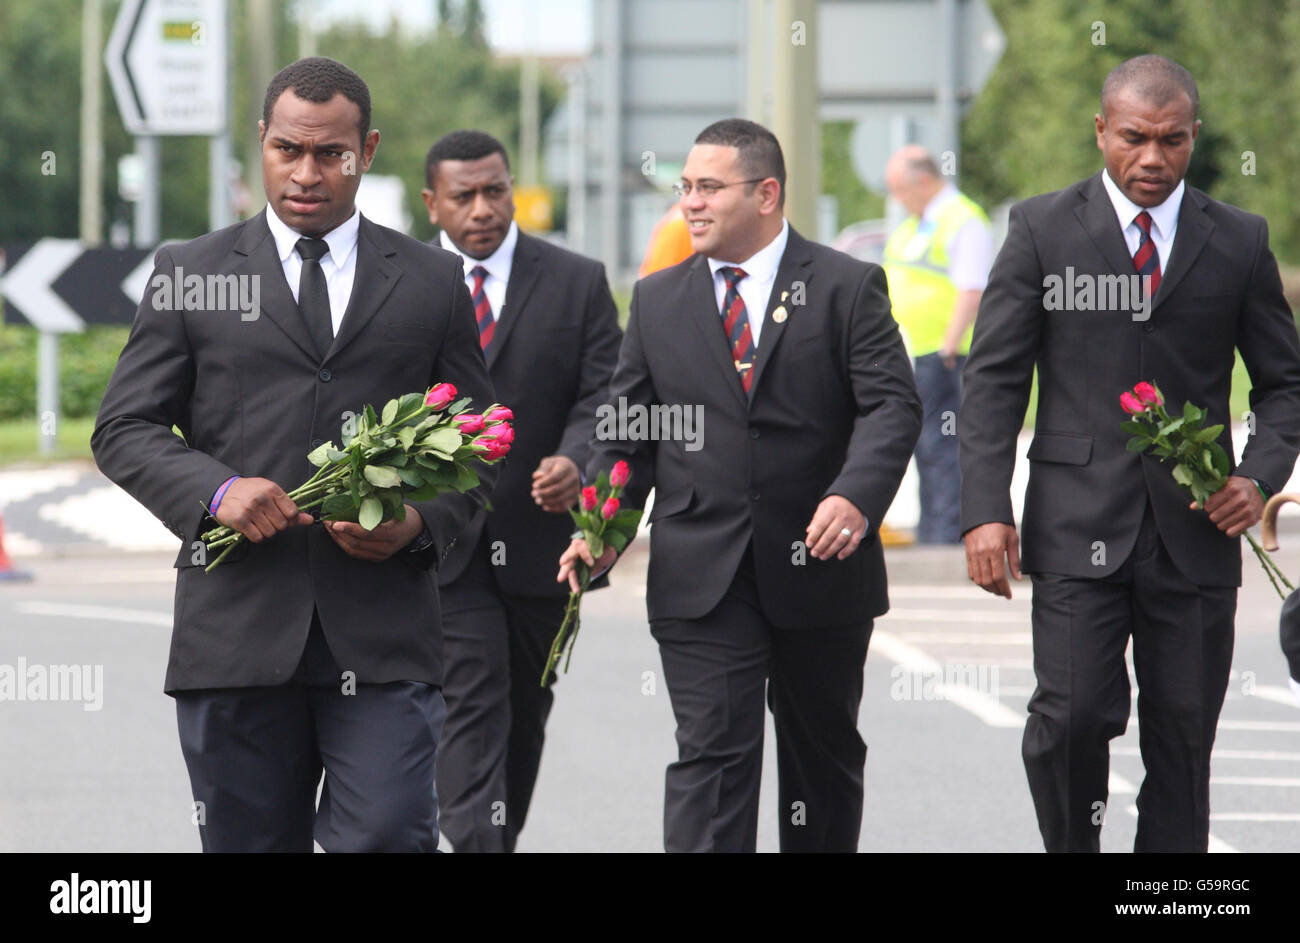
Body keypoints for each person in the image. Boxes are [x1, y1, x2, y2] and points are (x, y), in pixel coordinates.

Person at [91, 57, 498, 853]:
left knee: (387, 832)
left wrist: (417, 523)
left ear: (367, 150)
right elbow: (123, 427)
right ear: (261, 145)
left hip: (384, 638)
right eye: (288, 150)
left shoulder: (432, 280)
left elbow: (480, 446)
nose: (307, 172)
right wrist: (216, 491)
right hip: (236, 632)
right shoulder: (191, 273)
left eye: (331, 153)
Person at [959, 54, 1300, 853]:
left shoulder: (1240, 240)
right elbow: (993, 382)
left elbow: (1286, 387)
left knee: (1183, 739)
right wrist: (984, 510)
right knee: (1072, 717)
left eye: (1172, 140)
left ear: (1194, 137)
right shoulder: (1041, 229)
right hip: (1077, 524)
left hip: (1197, 533)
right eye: (1135, 139)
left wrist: (1256, 476)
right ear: (1102, 131)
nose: (1153, 159)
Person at [559, 118, 922, 852]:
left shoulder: (847, 286)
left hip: (820, 567)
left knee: (822, 759)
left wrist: (855, 494)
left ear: (766, 193)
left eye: (708, 187)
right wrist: (601, 529)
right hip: (702, 573)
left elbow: (893, 405)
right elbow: (627, 433)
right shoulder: (659, 300)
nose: (690, 202)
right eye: (685, 187)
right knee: (713, 758)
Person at [420, 129, 623, 852]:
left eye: (495, 191)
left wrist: (577, 459)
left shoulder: (576, 280)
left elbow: (606, 391)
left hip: (541, 545)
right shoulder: (404, 282)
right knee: (472, 703)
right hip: (443, 544)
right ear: (432, 204)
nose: (483, 208)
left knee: (524, 713)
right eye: (463, 195)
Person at [883, 147, 992, 544]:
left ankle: (946, 534)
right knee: (924, 447)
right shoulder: (917, 224)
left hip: (945, 355)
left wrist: (948, 346)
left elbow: (972, 287)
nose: (897, 198)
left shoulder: (963, 220)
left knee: (942, 445)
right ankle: (933, 531)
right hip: (913, 355)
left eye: (900, 189)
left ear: (924, 180)